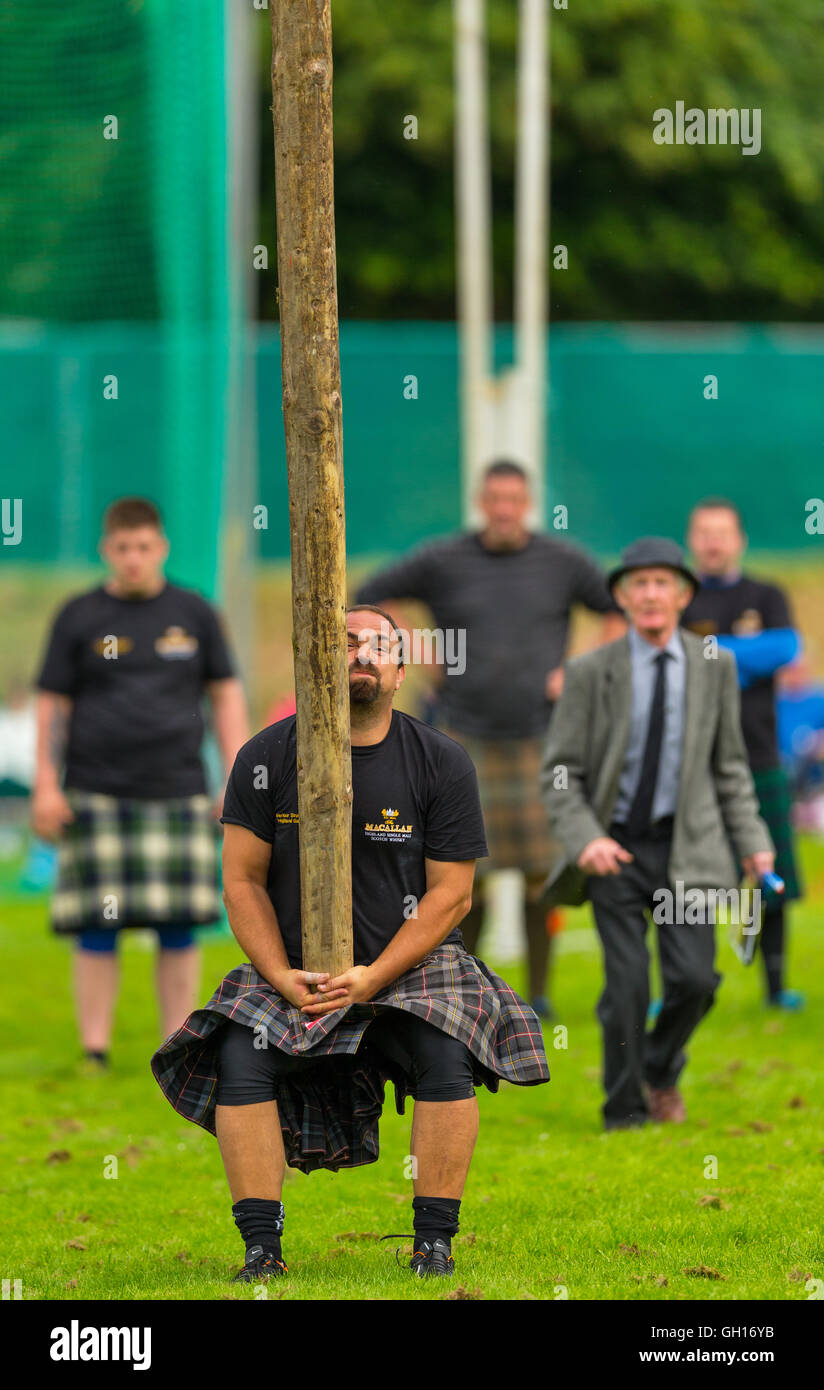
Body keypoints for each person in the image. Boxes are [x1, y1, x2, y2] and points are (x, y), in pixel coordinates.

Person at [151, 605, 549, 1283]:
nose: (360, 655)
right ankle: (261, 1248)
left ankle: (432, 1243)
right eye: (342, 645)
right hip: (294, 969)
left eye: (376, 646)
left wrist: (373, 977)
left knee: (444, 1053)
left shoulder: (441, 761)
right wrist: (278, 973)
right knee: (239, 1058)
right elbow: (241, 883)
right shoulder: (264, 757)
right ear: (316, 664)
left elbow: (451, 896)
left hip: (408, 968)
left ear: (399, 671)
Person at [354, 460, 624, 1016]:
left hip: (538, 737)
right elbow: (371, 595)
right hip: (461, 738)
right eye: (494, 498)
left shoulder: (562, 561)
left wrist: (576, 669)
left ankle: (541, 995)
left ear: (527, 502)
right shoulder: (444, 558)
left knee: (538, 875)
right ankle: (462, 987)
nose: (503, 509)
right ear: (482, 500)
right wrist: (415, 651)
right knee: (458, 871)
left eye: (513, 499)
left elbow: (614, 611)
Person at [540, 538, 773, 1131]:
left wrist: (753, 840)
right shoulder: (591, 673)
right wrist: (585, 838)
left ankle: (661, 1070)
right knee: (624, 986)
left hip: (690, 849)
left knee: (696, 980)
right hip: (612, 850)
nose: (649, 594)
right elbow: (561, 772)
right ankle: (623, 1111)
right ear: (620, 597)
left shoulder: (715, 666)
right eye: (637, 584)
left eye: (661, 583)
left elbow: (729, 765)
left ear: (683, 594)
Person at [32, 497, 248, 1070]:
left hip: (179, 788)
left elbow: (225, 695)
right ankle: (95, 1050)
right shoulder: (78, 616)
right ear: (107, 550)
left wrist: (238, 777)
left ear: (162, 548)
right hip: (96, 791)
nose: (134, 559)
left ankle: (175, 1046)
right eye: (123, 549)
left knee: (178, 926)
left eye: (144, 548)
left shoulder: (195, 612)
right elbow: (51, 703)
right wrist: (45, 786)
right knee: (96, 926)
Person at [683, 498, 804, 1010]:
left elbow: (785, 649)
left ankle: (776, 989)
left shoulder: (767, 593)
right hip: (692, 761)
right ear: (693, 540)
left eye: (723, 532)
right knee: (689, 884)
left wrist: (708, 653)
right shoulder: (679, 598)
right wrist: (741, 656)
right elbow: (668, 655)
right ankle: (690, 986)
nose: (713, 542)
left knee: (769, 876)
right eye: (704, 532)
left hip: (757, 757)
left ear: (739, 540)